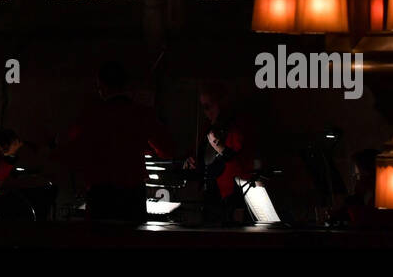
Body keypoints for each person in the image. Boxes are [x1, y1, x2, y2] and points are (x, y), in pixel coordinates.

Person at [58, 61, 176, 221]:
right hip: (131, 196)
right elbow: (167, 150)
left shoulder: (90, 116)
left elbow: (69, 151)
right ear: (126, 85)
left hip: (100, 195)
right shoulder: (142, 114)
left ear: (101, 86)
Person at [185, 80, 256, 223]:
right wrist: (189, 164)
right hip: (209, 200)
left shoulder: (236, 128)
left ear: (221, 103)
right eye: (204, 107)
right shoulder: (208, 130)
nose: (206, 112)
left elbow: (240, 164)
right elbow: (202, 164)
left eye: (209, 106)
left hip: (230, 202)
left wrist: (218, 144)